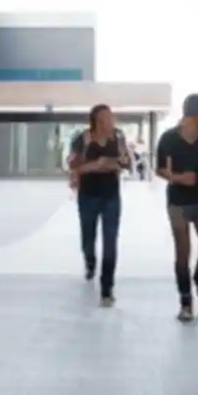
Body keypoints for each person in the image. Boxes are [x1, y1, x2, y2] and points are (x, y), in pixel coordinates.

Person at [155, 94, 198, 323]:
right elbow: (160, 169)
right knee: (182, 252)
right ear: (191, 116)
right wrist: (179, 178)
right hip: (178, 202)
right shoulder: (169, 138)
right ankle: (185, 303)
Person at [67, 105, 130, 307]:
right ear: (95, 121)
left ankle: (107, 289)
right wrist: (96, 165)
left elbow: (126, 163)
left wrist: (118, 163)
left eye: (111, 118)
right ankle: (90, 261)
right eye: (104, 119)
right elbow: (73, 166)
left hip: (111, 195)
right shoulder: (83, 139)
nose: (109, 122)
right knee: (88, 236)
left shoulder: (118, 138)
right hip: (88, 195)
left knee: (110, 241)